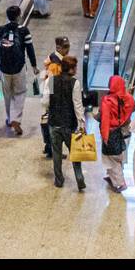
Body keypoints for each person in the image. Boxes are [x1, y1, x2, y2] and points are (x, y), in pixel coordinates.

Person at [0, 5, 37, 136]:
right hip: (19, 68)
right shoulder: (24, 31)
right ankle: (16, 119)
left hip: (4, 69)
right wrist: (34, 65)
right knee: (20, 92)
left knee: (7, 93)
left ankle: (9, 118)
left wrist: (0, 62)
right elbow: (29, 49)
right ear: (19, 16)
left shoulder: (0, 30)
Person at [46, 55, 87, 191]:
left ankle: (59, 180)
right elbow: (77, 105)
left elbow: (46, 101)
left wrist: (50, 111)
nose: (76, 69)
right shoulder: (75, 83)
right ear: (70, 69)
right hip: (69, 125)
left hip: (54, 123)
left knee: (56, 154)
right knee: (75, 153)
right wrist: (82, 124)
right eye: (75, 67)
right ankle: (79, 179)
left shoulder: (51, 80)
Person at [97, 75, 135, 193]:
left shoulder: (107, 101)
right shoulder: (128, 98)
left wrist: (105, 136)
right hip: (125, 132)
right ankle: (112, 177)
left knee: (111, 158)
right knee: (120, 156)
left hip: (111, 132)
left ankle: (120, 183)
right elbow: (134, 107)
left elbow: (105, 119)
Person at [40, 36, 72, 158]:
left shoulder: (54, 58)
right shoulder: (55, 64)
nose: (67, 49)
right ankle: (51, 149)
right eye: (65, 47)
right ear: (58, 47)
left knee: (47, 121)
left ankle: (49, 147)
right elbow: (52, 84)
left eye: (68, 46)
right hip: (52, 98)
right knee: (52, 123)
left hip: (48, 96)